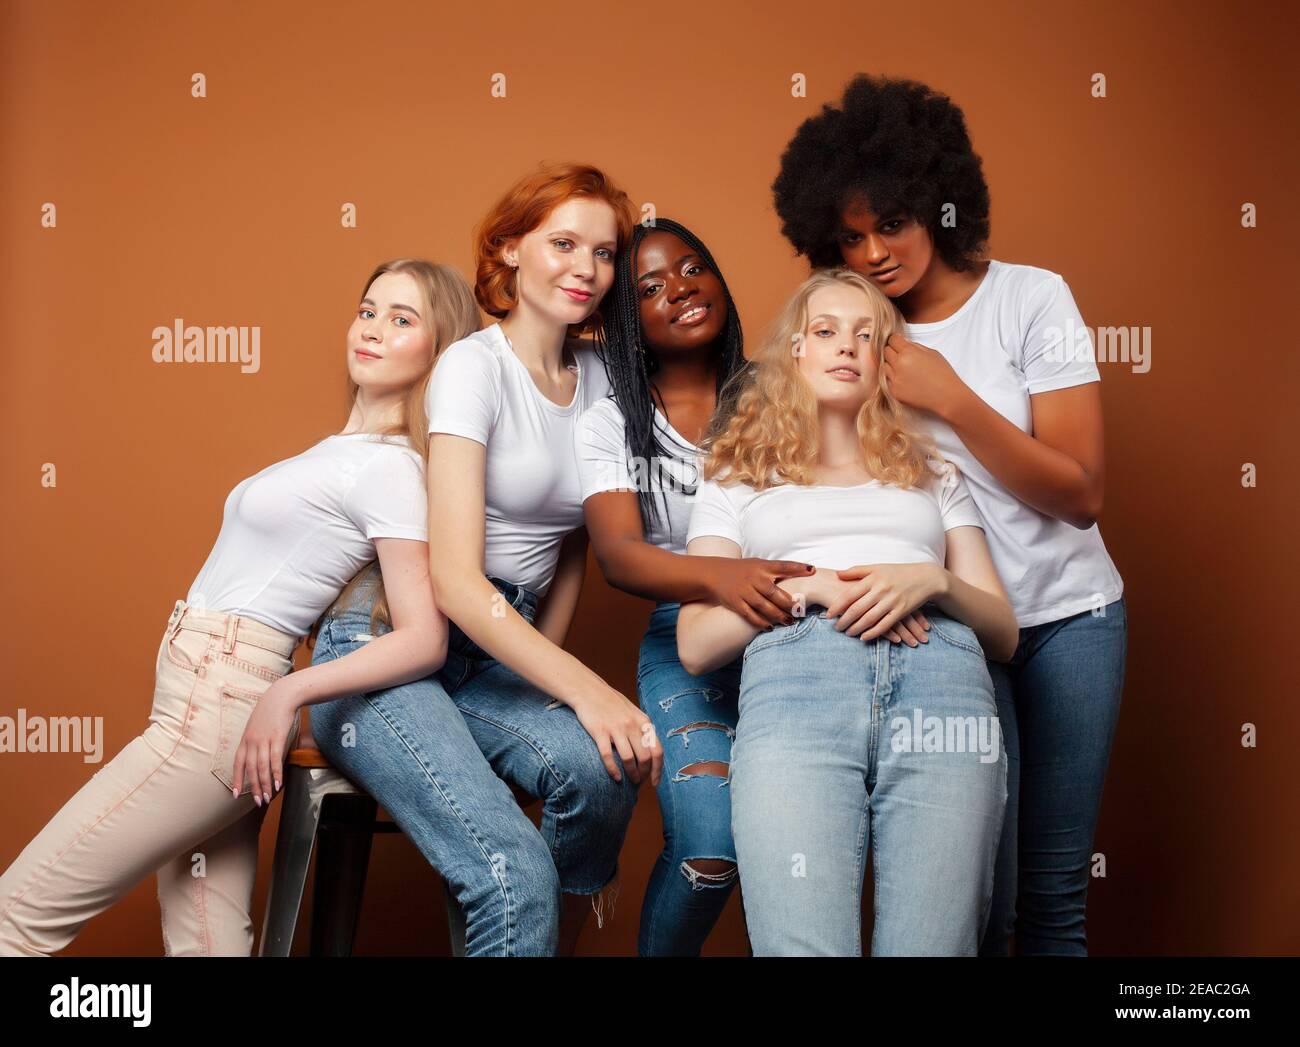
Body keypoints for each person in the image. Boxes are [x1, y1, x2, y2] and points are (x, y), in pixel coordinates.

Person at [0, 259, 472, 956]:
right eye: (369, 309)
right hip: (212, 697)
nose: (372, 329)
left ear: (439, 349)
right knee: (208, 942)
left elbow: (424, 638)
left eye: (402, 320)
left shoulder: (392, 468)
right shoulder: (344, 452)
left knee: (18, 913)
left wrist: (290, 691)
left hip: (221, 705)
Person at [772, 73, 1128, 955]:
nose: (876, 253)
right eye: (850, 238)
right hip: (957, 633)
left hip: (1073, 620)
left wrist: (955, 397)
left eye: (892, 222)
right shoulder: (848, 335)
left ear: (940, 202)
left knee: (1052, 904)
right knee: (978, 904)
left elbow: (1081, 493)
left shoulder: (1030, 298)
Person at [677, 268, 1017, 955]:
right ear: (796, 351)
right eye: (827, 331)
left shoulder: (931, 470)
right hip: (797, 692)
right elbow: (695, 641)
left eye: (868, 335)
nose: (847, 347)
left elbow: (1004, 631)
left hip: (940, 691)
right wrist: (813, 587)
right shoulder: (737, 477)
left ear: (884, 358)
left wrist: (931, 580)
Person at [422, 162, 657, 953]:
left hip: (503, 645)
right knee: (511, 866)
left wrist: (544, 674)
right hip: (413, 638)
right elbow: (453, 580)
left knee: (604, 767)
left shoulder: (600, 381)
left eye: (603, 251)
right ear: (510, 250)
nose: (585, 269)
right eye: (562, 242)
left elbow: (571, 546)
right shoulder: (471, 367)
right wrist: (586, 689)